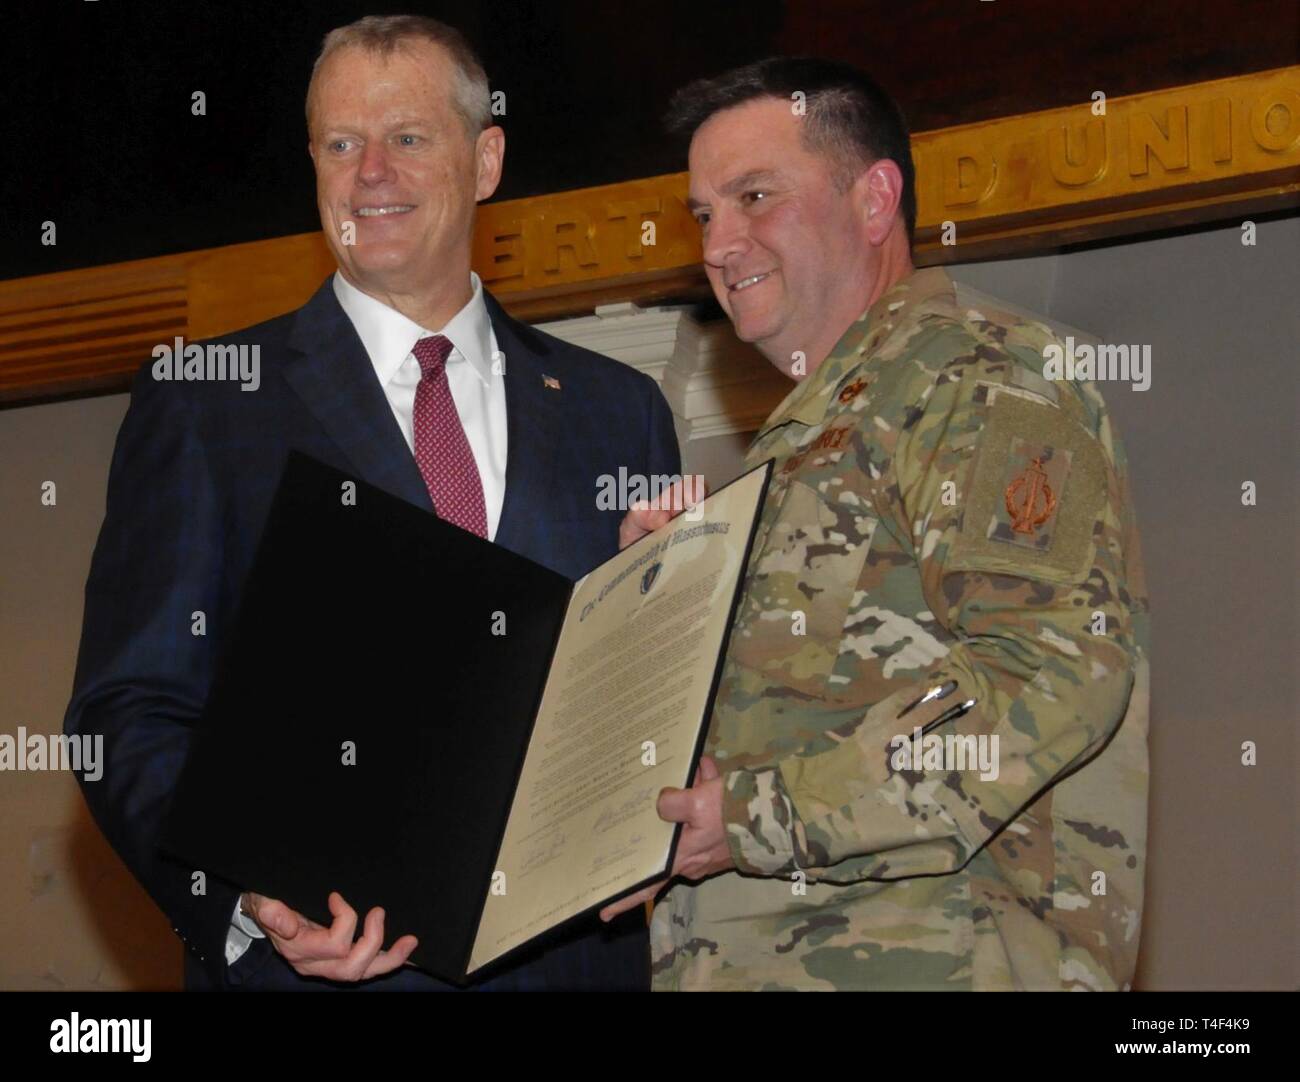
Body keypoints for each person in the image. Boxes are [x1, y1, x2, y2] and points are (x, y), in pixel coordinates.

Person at [64, 14, 679, 991]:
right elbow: (126, 707)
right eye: (340, 144)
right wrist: (241, 895)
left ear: (485, 161)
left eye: (406, 138)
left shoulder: (618, 411)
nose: (370, 174)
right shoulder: (207, 399)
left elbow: (655, 705)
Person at [604, 57, 1150, 991]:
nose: (720, 244)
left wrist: (751, 817)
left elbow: (1050, 666)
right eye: (704, 214)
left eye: (755, 196)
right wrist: (671, 608)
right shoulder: (808, 441)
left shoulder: (979, 375)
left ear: (873, 197)